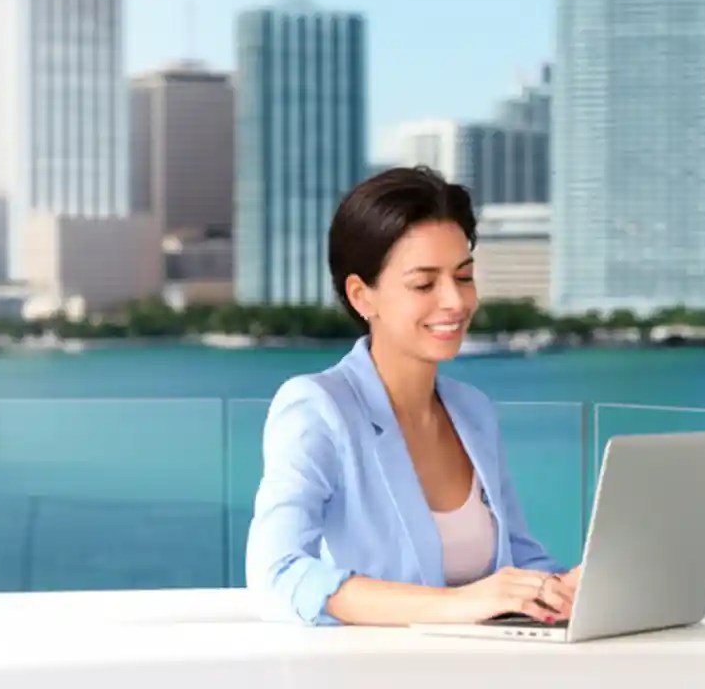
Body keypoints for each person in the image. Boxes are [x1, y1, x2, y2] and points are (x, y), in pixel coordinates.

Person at [245, 166, 580, 627]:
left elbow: (517, 560)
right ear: (362, 296)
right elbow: (277, 575)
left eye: (464, 277)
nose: (455, 302)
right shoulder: (317, 407)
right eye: (424, 284)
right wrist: (456, 605)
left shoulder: (472, 410)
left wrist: (568, 587)